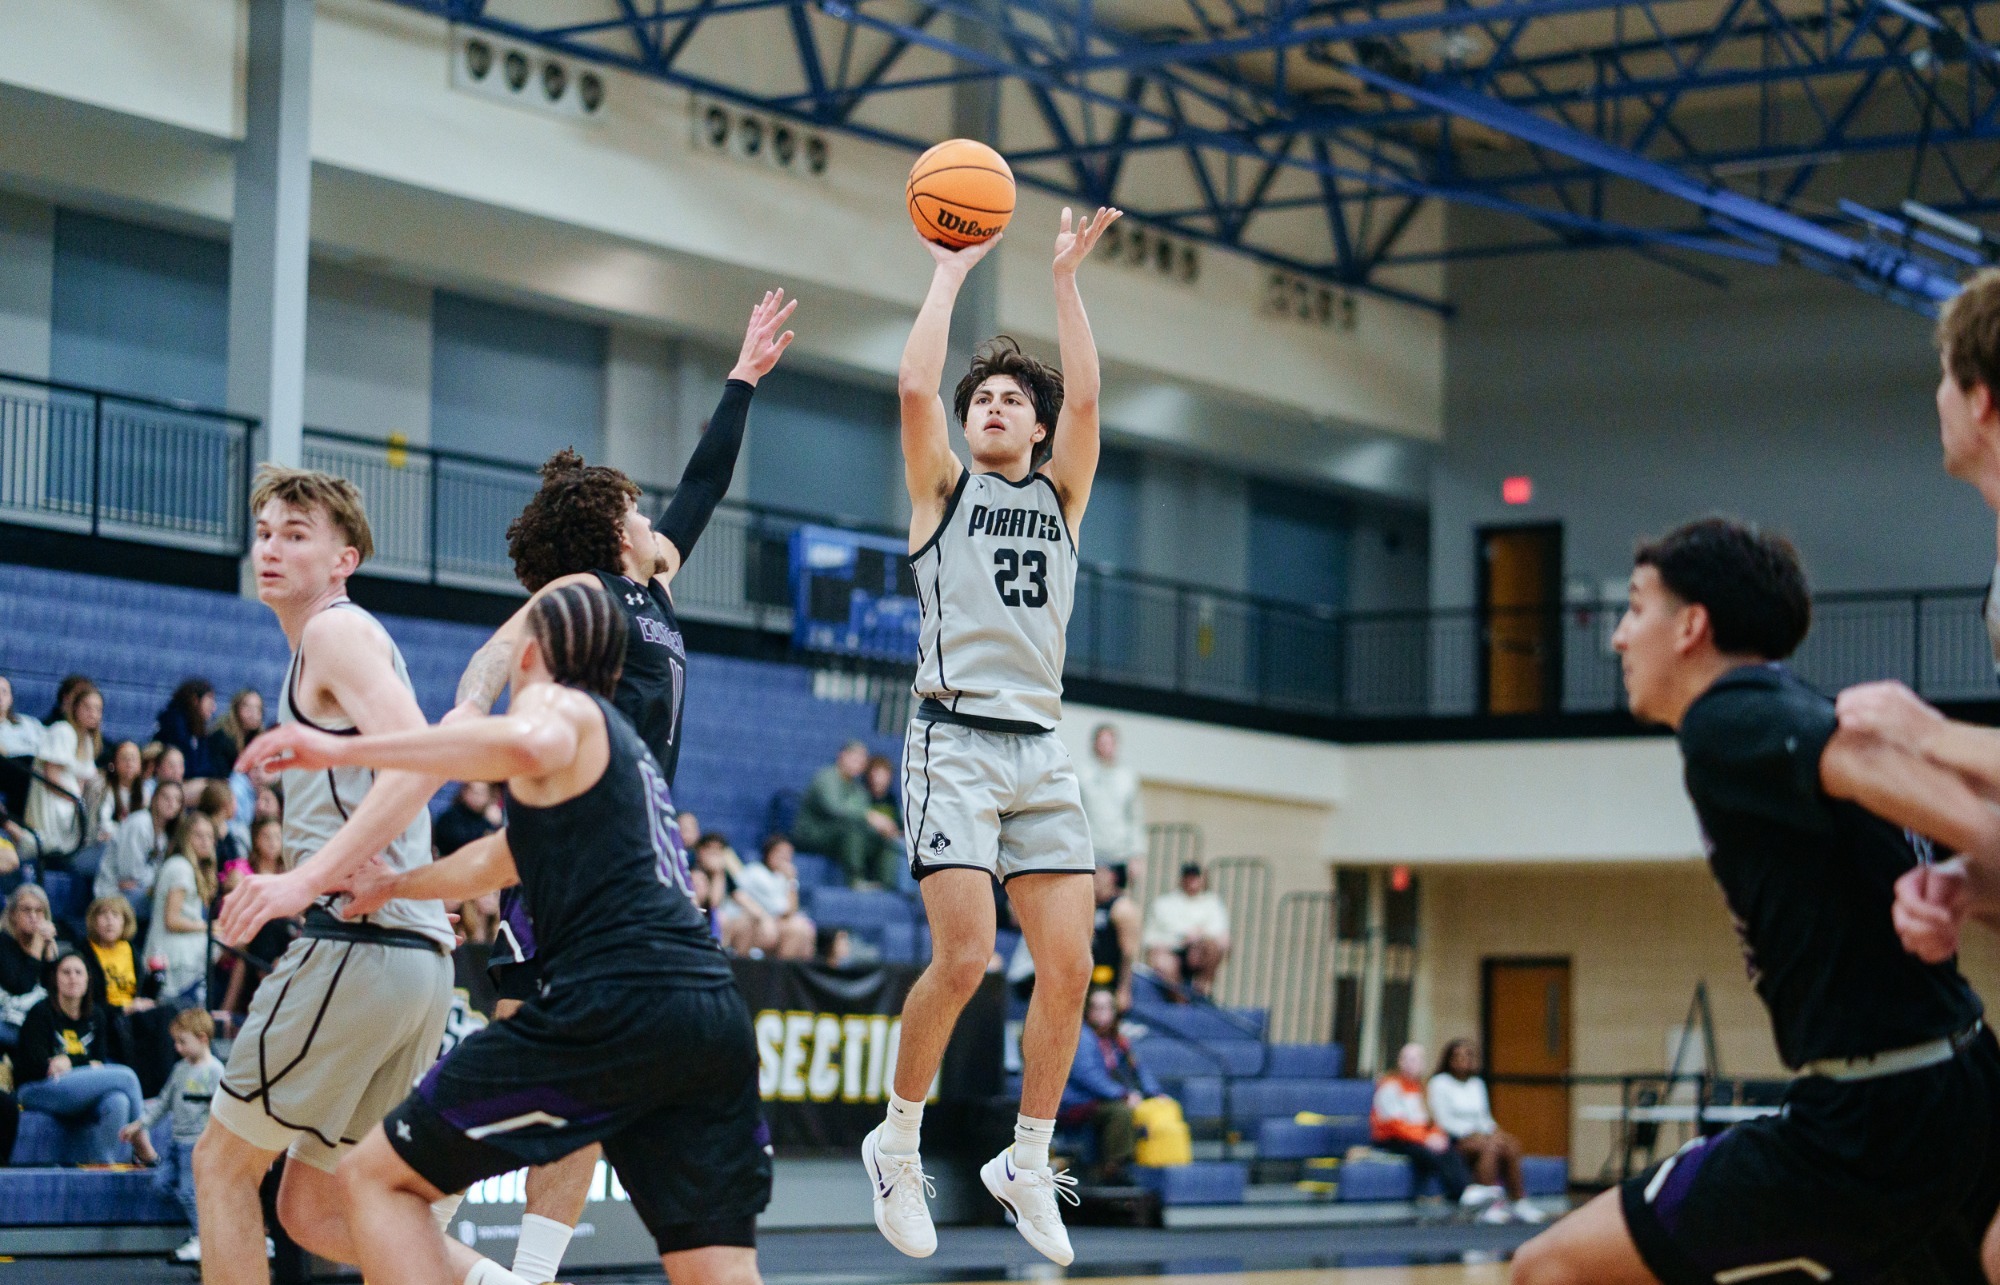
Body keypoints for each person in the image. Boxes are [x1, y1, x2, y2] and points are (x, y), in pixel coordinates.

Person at [407, 288, 793, 1285]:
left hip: (636, 867)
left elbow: (702, 486)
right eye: (634, 506)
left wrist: (742, 381)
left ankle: (523, 1269)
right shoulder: (576, 602)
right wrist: (462, 715)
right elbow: (495, 655)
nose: (652, 514)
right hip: (568, 860)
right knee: (516, 1068)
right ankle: (421, 1229)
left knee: (576, 1093)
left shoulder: (652, 584)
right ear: (613, 528)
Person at [1511, 517, 2000, 1285]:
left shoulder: (1728, 715)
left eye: (1635, 607)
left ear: (1691, 627)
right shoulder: (1794, 709)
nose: (1617, 636)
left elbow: (1859, 755)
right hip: (1959, 1080)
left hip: (1872, 1117)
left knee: (1549, 1266)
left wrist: (1982, 832)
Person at [239, 581, 773, 1285]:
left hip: (619, 1003)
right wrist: (396, 885)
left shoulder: (563, 708)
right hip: (710, 1018)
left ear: (526, 655)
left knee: (374, 1180)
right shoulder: (622, 760)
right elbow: (499, 857)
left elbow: (526, 739)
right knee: (719, 1269)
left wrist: (338, 751)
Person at [862, 205, 1120, 1268]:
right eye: (983, 399)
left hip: (1040, 747)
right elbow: (913, 386)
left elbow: (1089, 396)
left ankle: (1026, 1158)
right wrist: (946, 273)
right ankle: (897, 1140)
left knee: (1071, 966)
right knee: (966, 955)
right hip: (954, 740)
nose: (995, 405)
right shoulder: (943, 490)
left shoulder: (1063, 494)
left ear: (1038, 428)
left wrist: (1064, 281)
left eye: (1013, 398)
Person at [198, 467, 471, 1285]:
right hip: (411, 964)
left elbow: (424, 761)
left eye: (296, 534)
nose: (271, 548)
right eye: (265, 533)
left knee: (221, 1164)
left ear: (343, 558)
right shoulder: (332, 644)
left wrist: (297, 880)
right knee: (316, 1209)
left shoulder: (335, 633)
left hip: (358, 946)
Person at [15, 950, 145, 1164]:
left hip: (78, 1091)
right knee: (127, 1077)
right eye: (66, 972)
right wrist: (81, 1065)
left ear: (87, 980)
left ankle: (103, 1164)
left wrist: (70, 1062)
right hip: (37, 1088)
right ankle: (142, 1144)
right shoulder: (40, 1013)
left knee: (118, 1101)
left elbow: (98, 1062)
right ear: (55, 979)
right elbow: (35, 1066)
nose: (72, 978)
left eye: (78, 972)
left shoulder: (96, 1015)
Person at [123, 1007, 226, 1263]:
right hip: (176, 1143)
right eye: (176, 1042)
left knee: (189, 1193)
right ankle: (208, 1219)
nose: (177, 1048)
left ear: (202, 1039)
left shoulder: (216, 1072)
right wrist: (140, 1125)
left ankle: (203, 1238)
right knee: (161, 1184)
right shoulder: (180, 1069)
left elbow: (223, 1112)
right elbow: (163, 1103)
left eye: (182, 1041)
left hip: (198, 1144)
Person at [1429, 1039, 1541, 1224]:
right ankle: (1486, 1207)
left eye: (1467, 1056)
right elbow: (1443, 1121)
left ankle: (1519, 1202)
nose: (1463, 1060)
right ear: (1449, 1060)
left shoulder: (1477, 1084)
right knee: (1490, 1148)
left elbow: (1484, 1117)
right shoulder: (1439, 1083)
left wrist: (1495, 1132)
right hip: (1455, 1140)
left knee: (1510, 1145)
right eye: (1457, 1056)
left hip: (1481, 1136)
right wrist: (1473, 1133)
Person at [1370, 1042, 1486, 1215]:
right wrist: (1425, 1138)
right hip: (1391, 1138)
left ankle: (1467, 1190)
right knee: (1428, 1153)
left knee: (1448, 1148)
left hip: (1417, 1137)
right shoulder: (1390, 1086)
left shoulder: (1422, 1088)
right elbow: (1395, 1125)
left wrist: (1437, 1135)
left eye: (1416, 1060)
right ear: (1400, 1062)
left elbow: (1430, 1120)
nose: (1411, 1064)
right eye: (1407, 1059)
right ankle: (1460, 1193)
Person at [1060, 988, 1160, 1182]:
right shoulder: (1081, 1036)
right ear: (1088, 1011)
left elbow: (1137, 1069)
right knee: (1121, 1112)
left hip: (1105, 1098)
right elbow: (1087, 1076)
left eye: (1106, 1008)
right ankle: (1113, 1168)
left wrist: (1154, 1092)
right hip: (1080, 1100)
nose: (1101, 1013)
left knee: (1156, 1108)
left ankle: (1145, 1169)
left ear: (1114, 1011)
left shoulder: (1117, 1040)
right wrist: (1123, 1094)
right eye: (1096, 1008)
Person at [794, 741, 901, 888]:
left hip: (838, 836)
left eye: (862, 761)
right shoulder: (827, 776)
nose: (859, 764)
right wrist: (870, 816)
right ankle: (855, 880)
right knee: (852, 830)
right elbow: (834, 808)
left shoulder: (858, 789)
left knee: (882, 838)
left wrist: (883, 829)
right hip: (813, 834)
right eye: (855, 759)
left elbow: (862, 818)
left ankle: (886, 887)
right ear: (842, 756)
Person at [144, 810, 217, 1005]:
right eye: (198, 835)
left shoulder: (191, 868)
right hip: (172, 961)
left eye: (209, 836)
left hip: (183, 959)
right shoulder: (180, 867)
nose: (205, 841)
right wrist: (209, 927)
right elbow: (172, 920)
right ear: (186, 837)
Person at [27, 679, 104, 855]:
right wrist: (76, 801)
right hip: (53, 803)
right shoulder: (62, 731)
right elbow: (51, 778)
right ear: (75, 708)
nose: (93, 713)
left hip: (72, 804)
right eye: (87, 707)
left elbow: (83, 780)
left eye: (98, 709)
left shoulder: (87, 740)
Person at [97, 779, 182, 923]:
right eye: (166, 797)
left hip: (138, 890)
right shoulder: (140, 823)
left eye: (177, 800)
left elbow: (149, 876)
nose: (171, 803)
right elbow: (130, 873)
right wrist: (153, 882)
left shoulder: (165, 835)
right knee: (166, 906)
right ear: (154, 799)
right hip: (112, 893)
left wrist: (151, 882)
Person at [1142, 862, 1231, 998]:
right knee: (1164, 964)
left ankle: (1202, 991)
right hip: (1170, 950)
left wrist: (1198, 941)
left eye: (1196, 877)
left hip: (1201, 950)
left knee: (1215, 945)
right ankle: (1180, 1000)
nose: (1192, 881)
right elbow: (1152, 939)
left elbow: (1220, 934)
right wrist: (1183, 940)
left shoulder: (1212, 903)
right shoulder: (1164, 903)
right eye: (1188, 877)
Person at [720, 835, 816, 960]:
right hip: (744, 924)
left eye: (788, 854)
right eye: (780, 852)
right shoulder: (756, 872)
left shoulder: (781, 877)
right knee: (797, 928)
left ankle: (786, 970)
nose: (784, 858)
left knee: (805, 929)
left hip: (769, 923)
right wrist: (765, 919)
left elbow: (790, 911)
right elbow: (782, 910)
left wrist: (792, 881)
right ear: (769, 853)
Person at [1076, 724, 1144, 876]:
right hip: (1089, 852)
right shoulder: (1082, 775)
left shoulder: (1127, 777)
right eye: (1102, 743)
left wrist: (1136, 854)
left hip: (1120, 854)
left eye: (1109, 743)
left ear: (1116, 745)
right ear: (1094, 745)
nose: (1106, 747)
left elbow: (1135, 818)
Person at [0, 883, 62, 1044]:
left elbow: (55, 990)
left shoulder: (46, 944)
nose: (33, 916)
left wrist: (49, 950)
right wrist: (37, 946)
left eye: (39, 911)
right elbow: (21, 988)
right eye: (26, 910)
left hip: (37, 1021)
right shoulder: (3, 943)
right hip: (8, 1021)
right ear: (13, 914)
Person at [1089, 864, 1140, 1013]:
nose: (1094, 878)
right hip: (1089, 978)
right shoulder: (1090, 903)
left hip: (1111, 983)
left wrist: (1124, 990)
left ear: (1112, 876)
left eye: (1099, 874)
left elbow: (1128, 953)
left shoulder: (1122, 908)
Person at [155, 679, 221, 781]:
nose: (213, 708)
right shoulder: (174, 723)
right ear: (195, 700)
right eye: (209, 700)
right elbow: (188, 767)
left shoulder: (199, 728)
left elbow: (206, 766)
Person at [433, 781, 502, 857]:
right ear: (464, 791)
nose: (475, 797)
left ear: (490, 796)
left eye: (481, 793)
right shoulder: (451, 817)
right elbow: (462, 844)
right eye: (472, 791)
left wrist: (496, 825)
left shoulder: (489, 818)